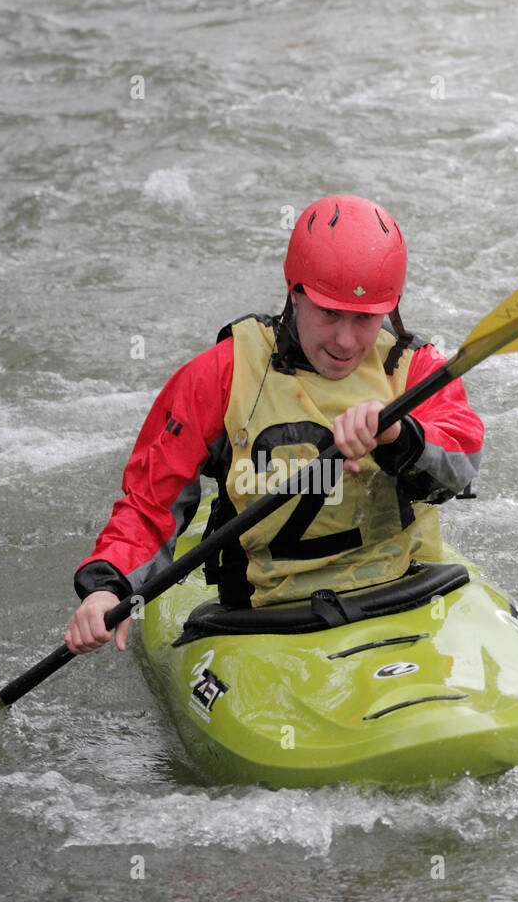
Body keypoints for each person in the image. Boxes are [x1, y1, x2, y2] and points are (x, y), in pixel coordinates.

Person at [65, 195, 483, 655]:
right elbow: (150, 504)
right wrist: (108, 586)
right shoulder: (222, 373)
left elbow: (458, 470)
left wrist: (397, 436)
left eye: (365, 318)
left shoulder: (415, 369)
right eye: (328, 312)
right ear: (295, 292)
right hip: (263, 620)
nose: (346, 341)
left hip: (403, 595)